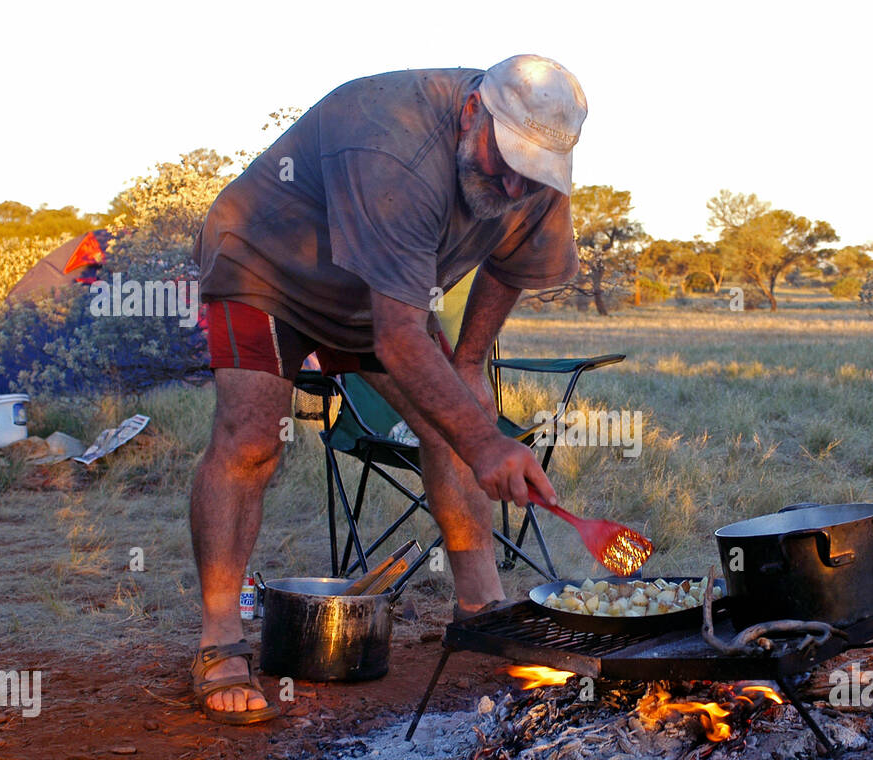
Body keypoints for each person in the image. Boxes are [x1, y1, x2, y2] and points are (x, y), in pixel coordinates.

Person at [188, 55, 587, 724]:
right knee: (252, 440)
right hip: (266, 263)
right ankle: (218, 640)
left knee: (451, 418)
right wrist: (485, 441)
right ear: (472, 114)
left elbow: (512, 264)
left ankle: (483, 612)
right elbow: (399, 337)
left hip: (380, 289)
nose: (516, 183)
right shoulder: (391, 140)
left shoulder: (536, 168)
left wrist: (467, 364)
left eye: (533, 172)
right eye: (506, 160)